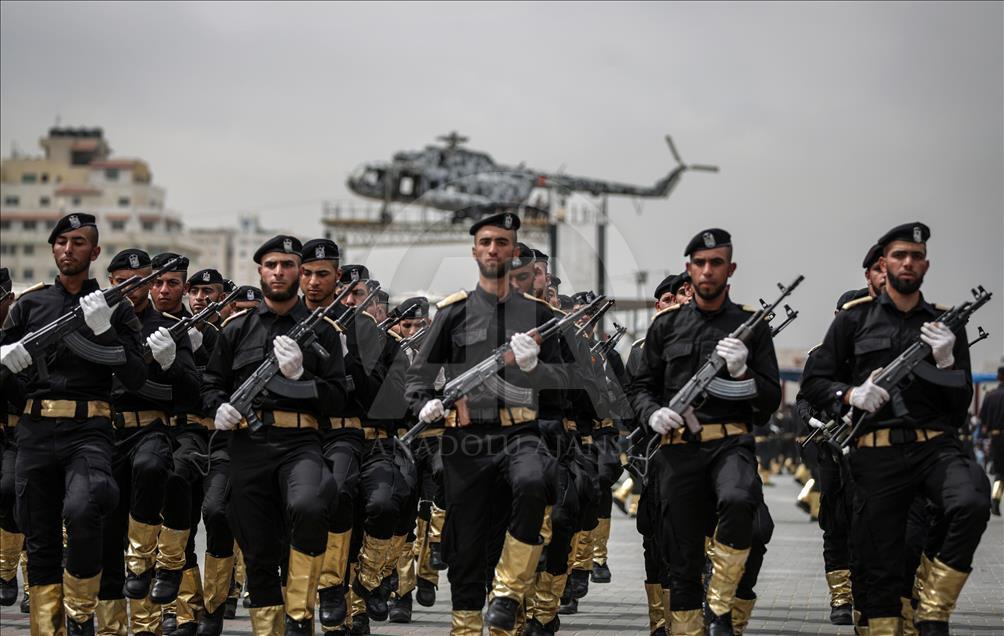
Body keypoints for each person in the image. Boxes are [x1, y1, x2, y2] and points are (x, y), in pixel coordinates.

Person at [800, 222, 989, 636]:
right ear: (883, 265)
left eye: (915, 256)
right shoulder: (853, 320)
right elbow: (813, 382)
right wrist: (850, 395)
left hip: (932, 448)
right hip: (877, 454)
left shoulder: (944, 326)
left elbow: (958, 409)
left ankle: (934, 609)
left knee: (973, 498)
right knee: (881, 564)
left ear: (926, 264)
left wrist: (945, 362)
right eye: (899, 255)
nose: (907, 263)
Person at [405, 212, 565, 634]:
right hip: (466, 440)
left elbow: (576, 385)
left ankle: (510, 592)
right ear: (475, 250)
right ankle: (467, 626)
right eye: (486, 242)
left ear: (514, 251)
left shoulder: (540, 315)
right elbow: (418, 378)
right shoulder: (452, 314)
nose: (494, 249)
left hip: (520, 434)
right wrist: (424, 404)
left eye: (503, 242)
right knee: (467, 548)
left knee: (533, 483)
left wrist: (535, 368)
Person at [1, 213, 149, 634]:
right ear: (53, 248)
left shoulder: (115, 306)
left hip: (90, 431)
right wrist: (6, 363)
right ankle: (47, 629)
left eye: (79, 242)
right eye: (62, 241)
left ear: (95, 252)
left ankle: (81, 612)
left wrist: (103, 331)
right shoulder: (29, 305)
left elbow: (137, 376)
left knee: (86, 509)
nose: (69, 248)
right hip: (34, 431)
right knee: (40, 537)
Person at [629, 228, 781, 636]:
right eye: (700, 263)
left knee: (738, 499)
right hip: (678, 452)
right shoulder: (666, 327)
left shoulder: (751, 326)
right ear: (689, 269)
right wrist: (652, 413)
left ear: (730, 269)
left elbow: (769, 399)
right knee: (681, 560)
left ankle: (720, 605)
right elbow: (640, 387)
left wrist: (741, 372)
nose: (707, 271)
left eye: (716, 263)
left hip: (730, 443)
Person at [202, 235, 348, 635]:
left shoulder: (324, 332)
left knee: (310, 505)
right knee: (258, 546)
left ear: (299, 273)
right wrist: (219, 407)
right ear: (260, 272)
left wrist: (302, 377)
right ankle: (269, 628)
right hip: (248, 444)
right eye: (271, 265)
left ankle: (300, 615)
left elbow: (338, 397)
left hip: (300, 444)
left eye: (287, 265)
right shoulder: (236, 329)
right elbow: (211, 383)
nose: (279, 272)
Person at [980, 367, 1004, 516]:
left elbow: (983, 421)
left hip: (996, 439)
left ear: (999, 376)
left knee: (1000, 473)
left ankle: (995, 501)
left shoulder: (990, 396)